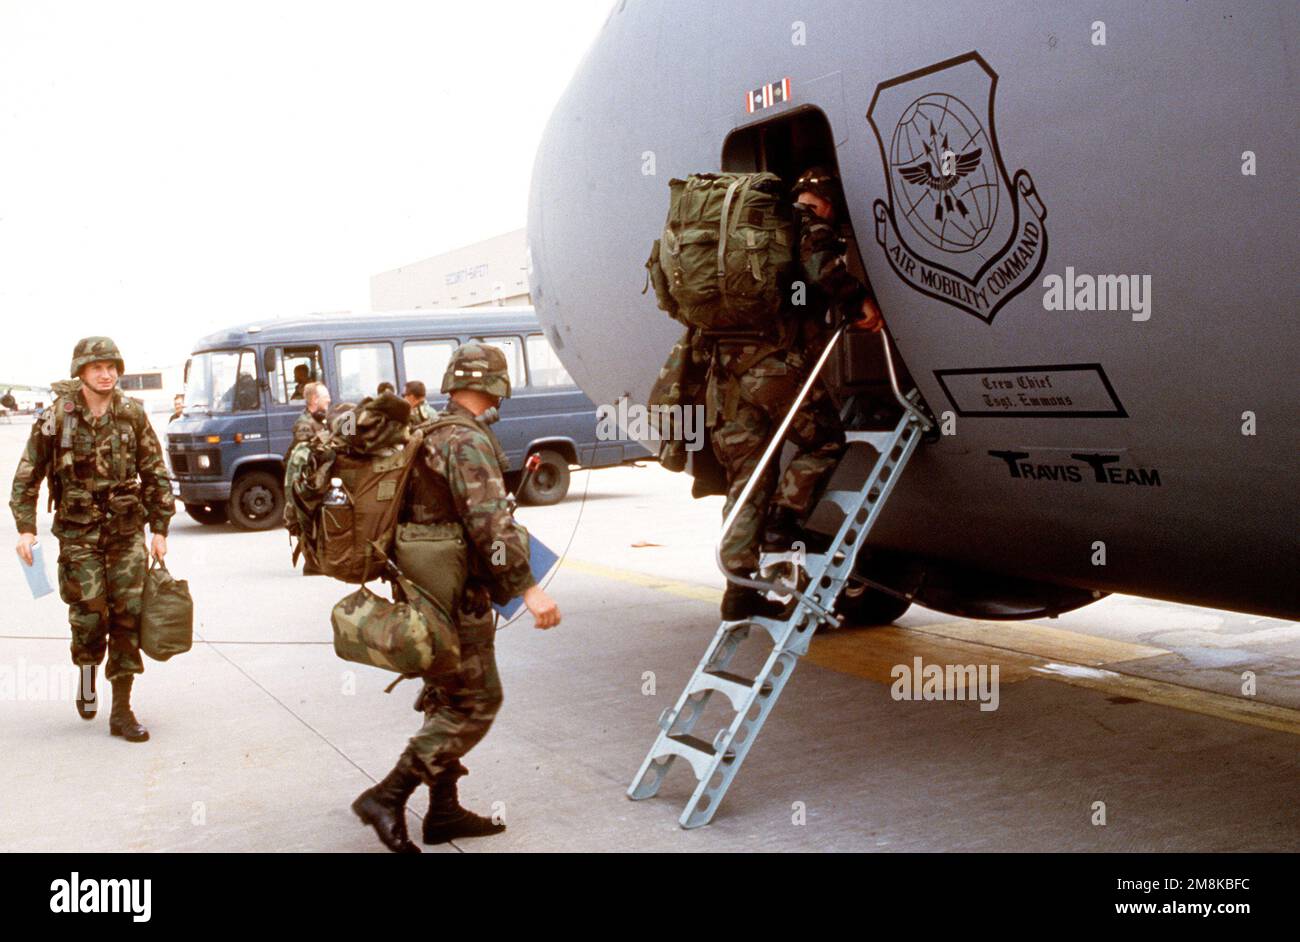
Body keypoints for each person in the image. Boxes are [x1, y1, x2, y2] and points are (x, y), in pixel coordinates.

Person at [351, 342, 561, 853]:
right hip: (454, 595)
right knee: (477, 701)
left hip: (424, 589)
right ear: (494, 385)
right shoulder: (465, 441)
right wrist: (528, 589)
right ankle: (388, 794)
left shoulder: (429, 430)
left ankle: (442, 810)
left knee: (446, 695)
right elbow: (489, 524)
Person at [705, 165, 882, 621]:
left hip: (725, 374)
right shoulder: (803, 222)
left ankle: (738, 590)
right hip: (774, 367)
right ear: (823, 201)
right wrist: (857, 299)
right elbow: (821, 267)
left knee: (749, 475)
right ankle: (785, 524)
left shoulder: (744, 235)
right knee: (824, 440)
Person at [10, 337, 174, 742]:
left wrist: (160, 528)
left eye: (112, 366)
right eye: (98, 367)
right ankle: (86, 676)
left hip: (124, 534)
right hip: (78, 535)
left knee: (127, 617)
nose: (107, 374)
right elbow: (27, 476)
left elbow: (154, 472)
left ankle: (122, 709)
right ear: (80, 371)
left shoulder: (132, 414)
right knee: (89, 617)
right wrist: (26, 529)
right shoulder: (57, 418)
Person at [289, 382, 331, 450]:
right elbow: (303, 455)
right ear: (315, 399)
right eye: (326, 397)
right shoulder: (303, 425)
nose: (329, 400)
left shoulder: (320, 419)